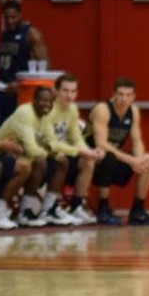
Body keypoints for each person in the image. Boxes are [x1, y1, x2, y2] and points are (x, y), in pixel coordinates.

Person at [88, 77, 149, 226]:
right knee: (108, 157)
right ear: (113, 94)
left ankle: (137, 210)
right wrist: (131, 160)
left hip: (114, 158)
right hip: (91, 158)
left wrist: (139, 159)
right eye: (120, 94)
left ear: (133, 97)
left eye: (128, 95)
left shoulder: (134, 111)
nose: (123, 99)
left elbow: (137, 140)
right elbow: (101, 144)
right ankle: (103, 209)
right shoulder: (102, 109)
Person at [41, 73, 103, 225]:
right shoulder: (48, 109)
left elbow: (76, 138)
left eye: (73, 91)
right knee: (62, 158)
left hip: (63, 153)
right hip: (44, 153)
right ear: (56, 91)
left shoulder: (72, 109)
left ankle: (76, 206)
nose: (69, 95)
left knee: (88, 161)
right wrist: (81, 151)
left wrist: (90, 151)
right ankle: (50, 208)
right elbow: (52, 144)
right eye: (65, 91)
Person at [0, 85, 54, 226]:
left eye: (50, 101)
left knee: (43, 162)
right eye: (43, 100)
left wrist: (53, 150)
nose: (46, 104)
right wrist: (50, 152)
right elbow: (32, 149)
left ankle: (26, 211)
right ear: (34, 100)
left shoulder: (45, 116)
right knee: (26, 166)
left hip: (18, 155)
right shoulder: (25, 113)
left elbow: (52, 142)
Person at [0, 0, 48, 127]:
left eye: (13, 17)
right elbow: (0, 63)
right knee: (0, 129)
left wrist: (21, 84)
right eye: (6, 18)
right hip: (2, 91)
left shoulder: (31, 34)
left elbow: (44, 68)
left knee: (19, 129)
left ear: (20, 15)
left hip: (21, 92)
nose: (9, 21)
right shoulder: (4, 35)